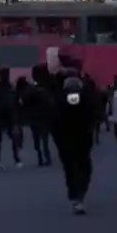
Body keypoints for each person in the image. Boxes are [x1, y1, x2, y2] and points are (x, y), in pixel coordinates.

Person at [44, 49, 97, 215]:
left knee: (74, 165)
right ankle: (78, 196)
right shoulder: (72, 89)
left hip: (71, 133)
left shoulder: (67, 90)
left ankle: (76, 196)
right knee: (80, 165)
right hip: (74, 133)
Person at [0, 68, 22, 169]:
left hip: (8, 115)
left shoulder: (8, 88)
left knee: (8, 139)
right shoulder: (6, 88)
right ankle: (1, 160)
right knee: (5, 139)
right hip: (2, 115)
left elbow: (16, 102)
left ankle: (3, 160)